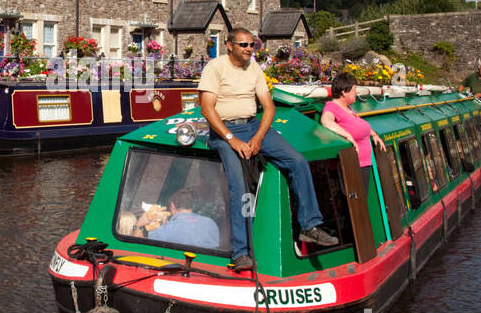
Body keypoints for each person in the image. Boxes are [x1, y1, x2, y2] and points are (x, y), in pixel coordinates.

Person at [199, 29, 339, 271]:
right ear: (229, 45)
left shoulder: (253, 68)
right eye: (243, 44)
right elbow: (207, 109)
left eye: (252, 45)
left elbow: (269, 106)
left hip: (252, 125)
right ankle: (241, 253)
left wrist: (259, 136)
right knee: (239, 185)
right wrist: (232, 140)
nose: (249, 49)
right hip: (224, 130)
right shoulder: (215, 67)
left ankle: (309, 226)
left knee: (297, 161)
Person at [320, 72, 388, 198]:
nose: (356, 93)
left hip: (362, 165)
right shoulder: (332, 107)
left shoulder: (348, 109)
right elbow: (326, 121)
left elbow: (359, 126)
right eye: (354, 90)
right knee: (357, 203)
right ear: (344, 92)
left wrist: (374, 135)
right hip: (354, 166)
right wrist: (348, 136)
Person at [140, 189, 219, 249]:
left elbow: (141, 247)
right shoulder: (211, 224)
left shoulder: (166, 229)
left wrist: (138, 225)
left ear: (172, 206)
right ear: (191, 205)